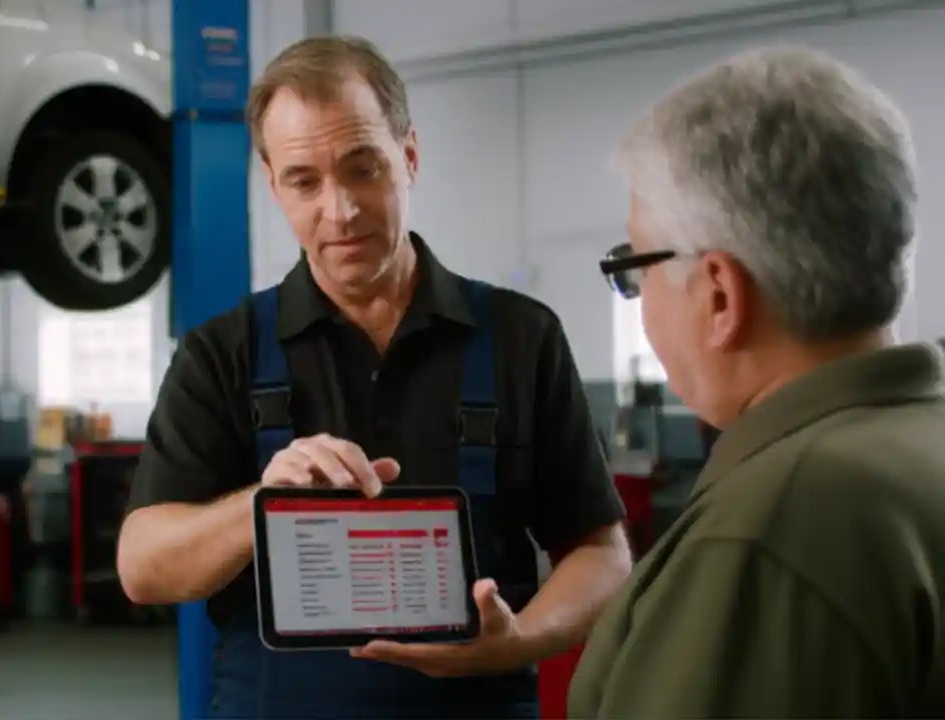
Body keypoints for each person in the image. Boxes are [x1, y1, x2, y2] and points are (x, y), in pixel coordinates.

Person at [117, 35, 632, 719]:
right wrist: (263, 503)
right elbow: (143, 567)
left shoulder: (519, 336)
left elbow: (601, 553)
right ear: (273, 184)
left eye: (363, 169)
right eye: (305, 181)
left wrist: (519, 640)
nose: (341, 210)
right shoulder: (223, 353)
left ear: (408, 157)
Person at [569, 45, 945, 718]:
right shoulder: (919, 441)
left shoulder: (774, 529)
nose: (642, 295)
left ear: (719, 295)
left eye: (641, 266)